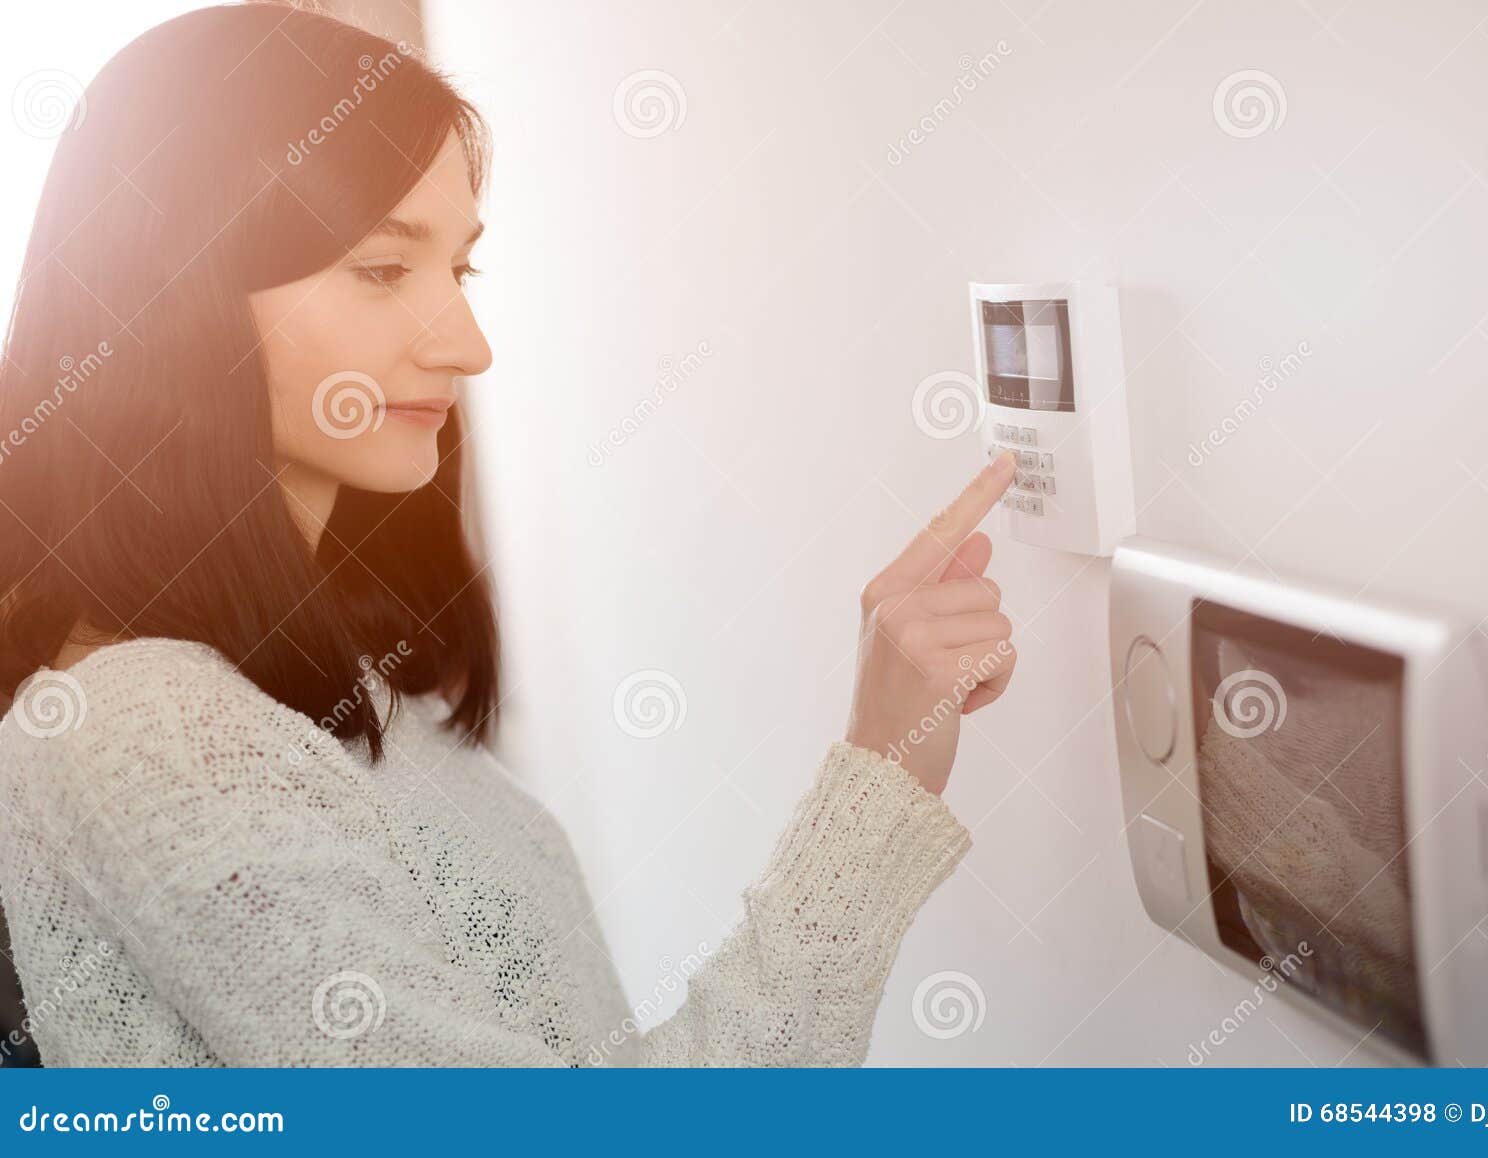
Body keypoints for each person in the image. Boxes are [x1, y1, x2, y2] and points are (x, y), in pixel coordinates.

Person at [0, 3, 1019, 1066]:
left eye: (461, 272)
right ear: (171, 294)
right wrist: (880, 772)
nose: (469, 345)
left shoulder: (301, 673)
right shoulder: (145, 733)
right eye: (384, 270)